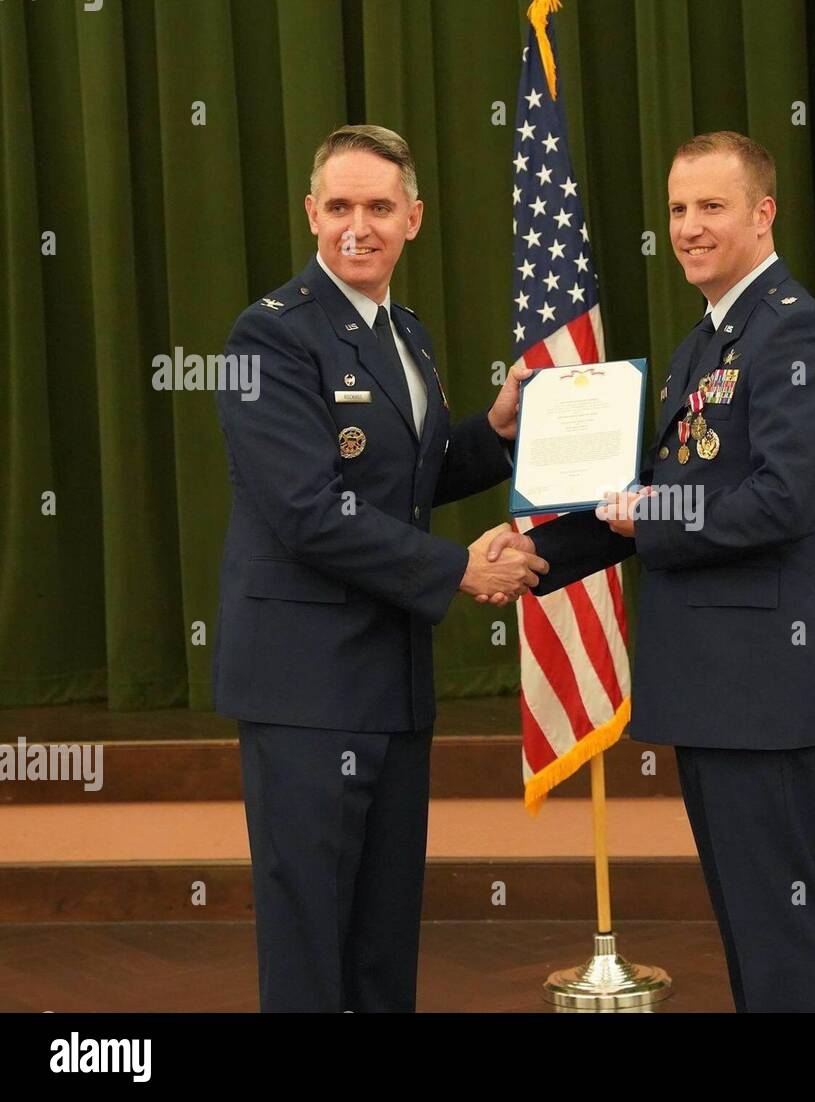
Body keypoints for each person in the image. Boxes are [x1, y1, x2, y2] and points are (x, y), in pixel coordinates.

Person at [488, 131, 815, 1012]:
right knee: (749, 928)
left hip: (767, 692)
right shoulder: (710, 338)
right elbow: (647, 494)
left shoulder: (795, 330)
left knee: (784, 933)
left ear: (764, 214)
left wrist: (652, 512)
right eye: (677, 210)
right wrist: (536, 557)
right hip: (718, 690)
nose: (689, 228)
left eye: (711, 206)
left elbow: (781, 502)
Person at [213, 124, 548, 1012]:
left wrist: (498, 430)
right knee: (312, 941)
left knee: (382, 939)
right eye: (338, 207)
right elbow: (308, 511)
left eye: (377, 207)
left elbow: (407, 477)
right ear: (310, 213)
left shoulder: (403, 331)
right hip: (307, 690)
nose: (355, 227)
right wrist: (457, 570)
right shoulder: (268, 337)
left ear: (414, 219)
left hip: (390, 682)